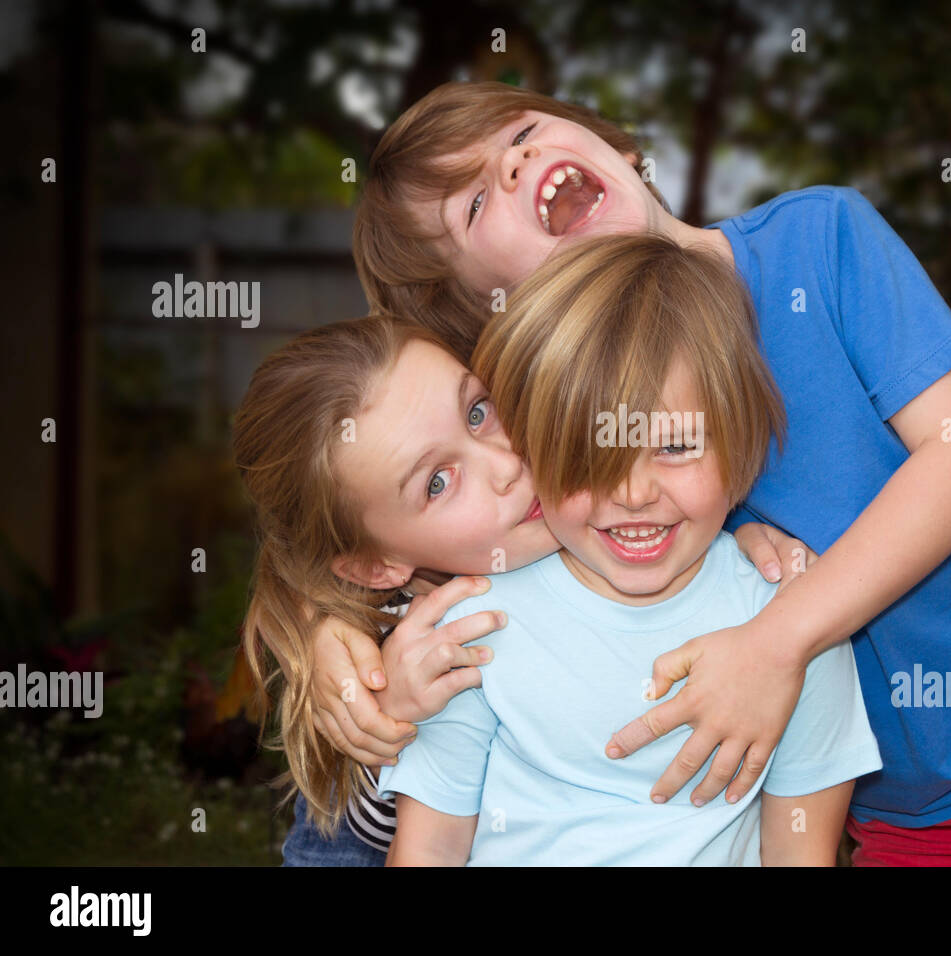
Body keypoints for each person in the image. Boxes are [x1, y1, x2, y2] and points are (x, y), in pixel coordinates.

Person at [323, 80, 951, 865]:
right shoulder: (575, 448)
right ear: (485, 310)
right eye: (478, 196)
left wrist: (772, 641)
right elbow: (459, 542)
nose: (521, 159)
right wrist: (341, 645)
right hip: (923, 819)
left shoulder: (818, 240)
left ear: (617, 145)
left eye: (525, 131)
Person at [232, 310, 811, 863]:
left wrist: (735, 536)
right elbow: (369, 839)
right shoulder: (409, 645)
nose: (505, 463)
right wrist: (395, 725)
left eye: (478, 411)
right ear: (376, 566)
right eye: (437, 482)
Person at [380, 233, 879, 865]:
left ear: (740, 438)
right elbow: (428, 850)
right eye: (591, 458)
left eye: (675, 446)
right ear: (530, 450)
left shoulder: (795, 625)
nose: (634, 494)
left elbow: (800, 853)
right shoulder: (475, 627)